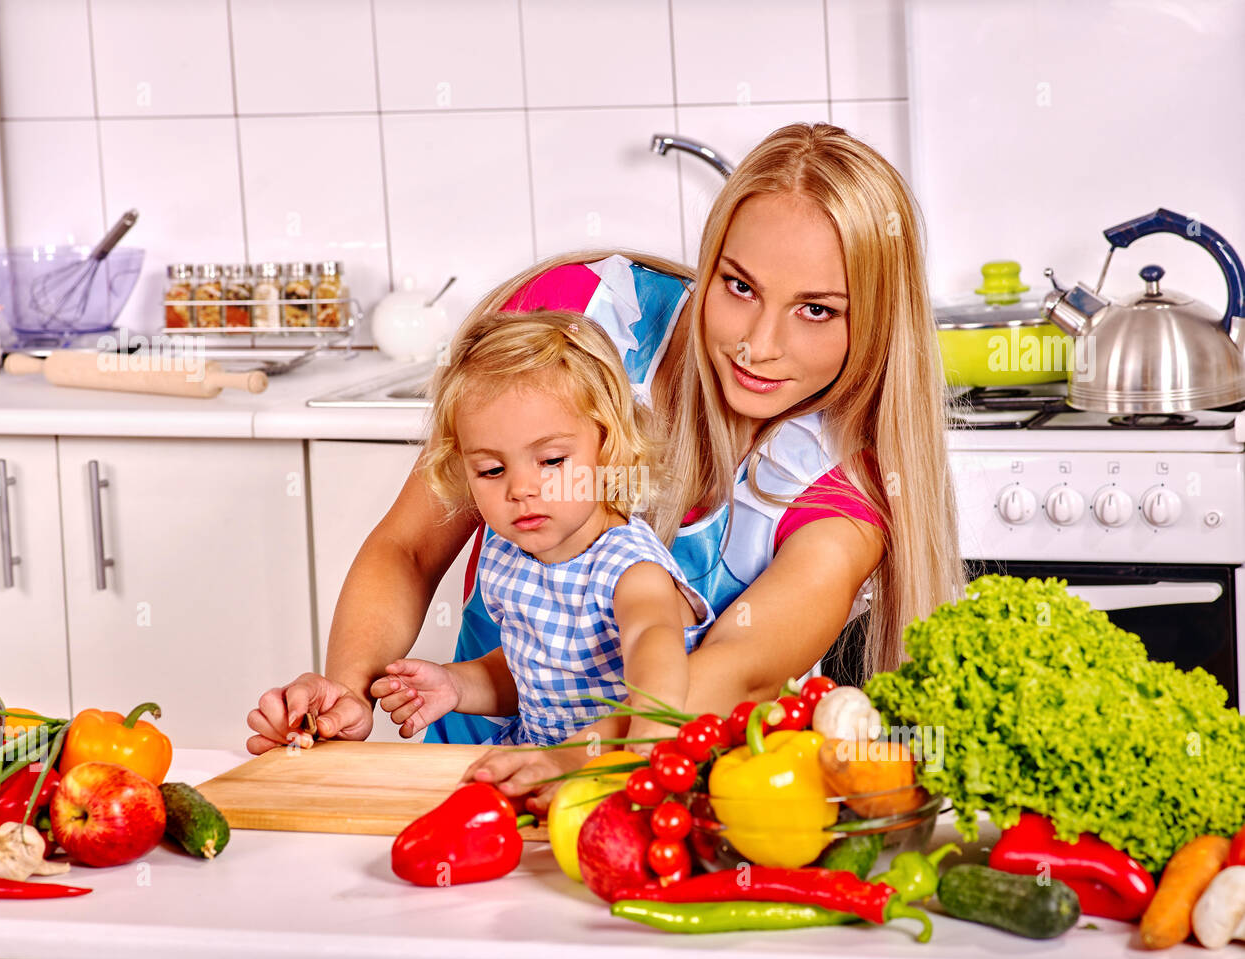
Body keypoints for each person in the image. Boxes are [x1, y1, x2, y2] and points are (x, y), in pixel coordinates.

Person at [248, 122, 963, 813]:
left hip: (646, 800)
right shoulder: (583, 319)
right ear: (711, 262)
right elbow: (409, 547)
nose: (758, 344)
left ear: (871, 320)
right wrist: (345, 688)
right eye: (739, 287)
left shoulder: (848, 485)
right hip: (458, 775)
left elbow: (730, 668)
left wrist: (580, 759)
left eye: (815, 309)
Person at [377, 309, 713, 747]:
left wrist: (649, 731)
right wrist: (456, 685)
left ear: (606, 447)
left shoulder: (630, 569)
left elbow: (653, 641)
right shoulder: (506, 557)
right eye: (492, 470)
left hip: (617, 773)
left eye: (551, 461)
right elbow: (525, 676)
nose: (520, 489)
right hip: (537, 764)